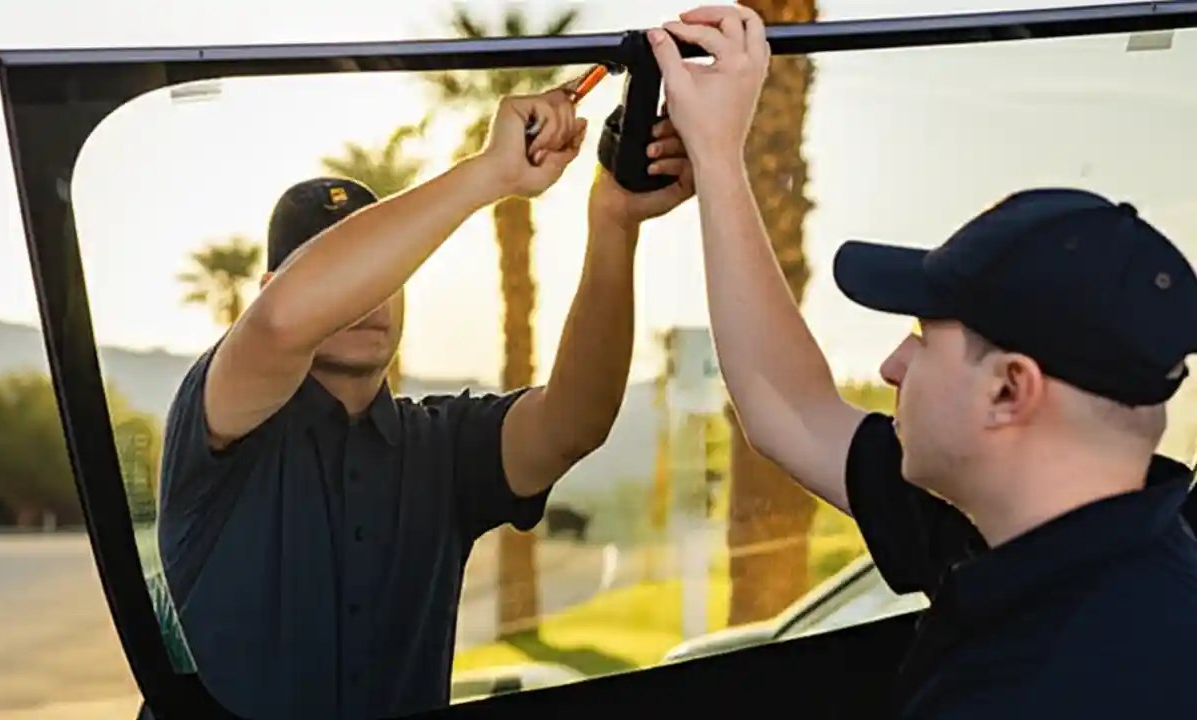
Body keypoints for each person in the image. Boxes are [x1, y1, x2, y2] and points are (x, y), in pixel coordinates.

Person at [648, 5, 1197, 718]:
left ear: (1008, 390)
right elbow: (791, 409)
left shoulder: (1040, 685)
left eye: (922, 334)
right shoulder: (1042, 537)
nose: (892, 365)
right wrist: (719, 156)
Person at [155, 87, 695, 720]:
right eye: (346, 274)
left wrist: (614, 222)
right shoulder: (222, 414)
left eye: (385, 274)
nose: (369, 294)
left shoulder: (442, 444)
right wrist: (489, 173)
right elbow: (278, 327)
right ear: (273, 287)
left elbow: (574, 423)